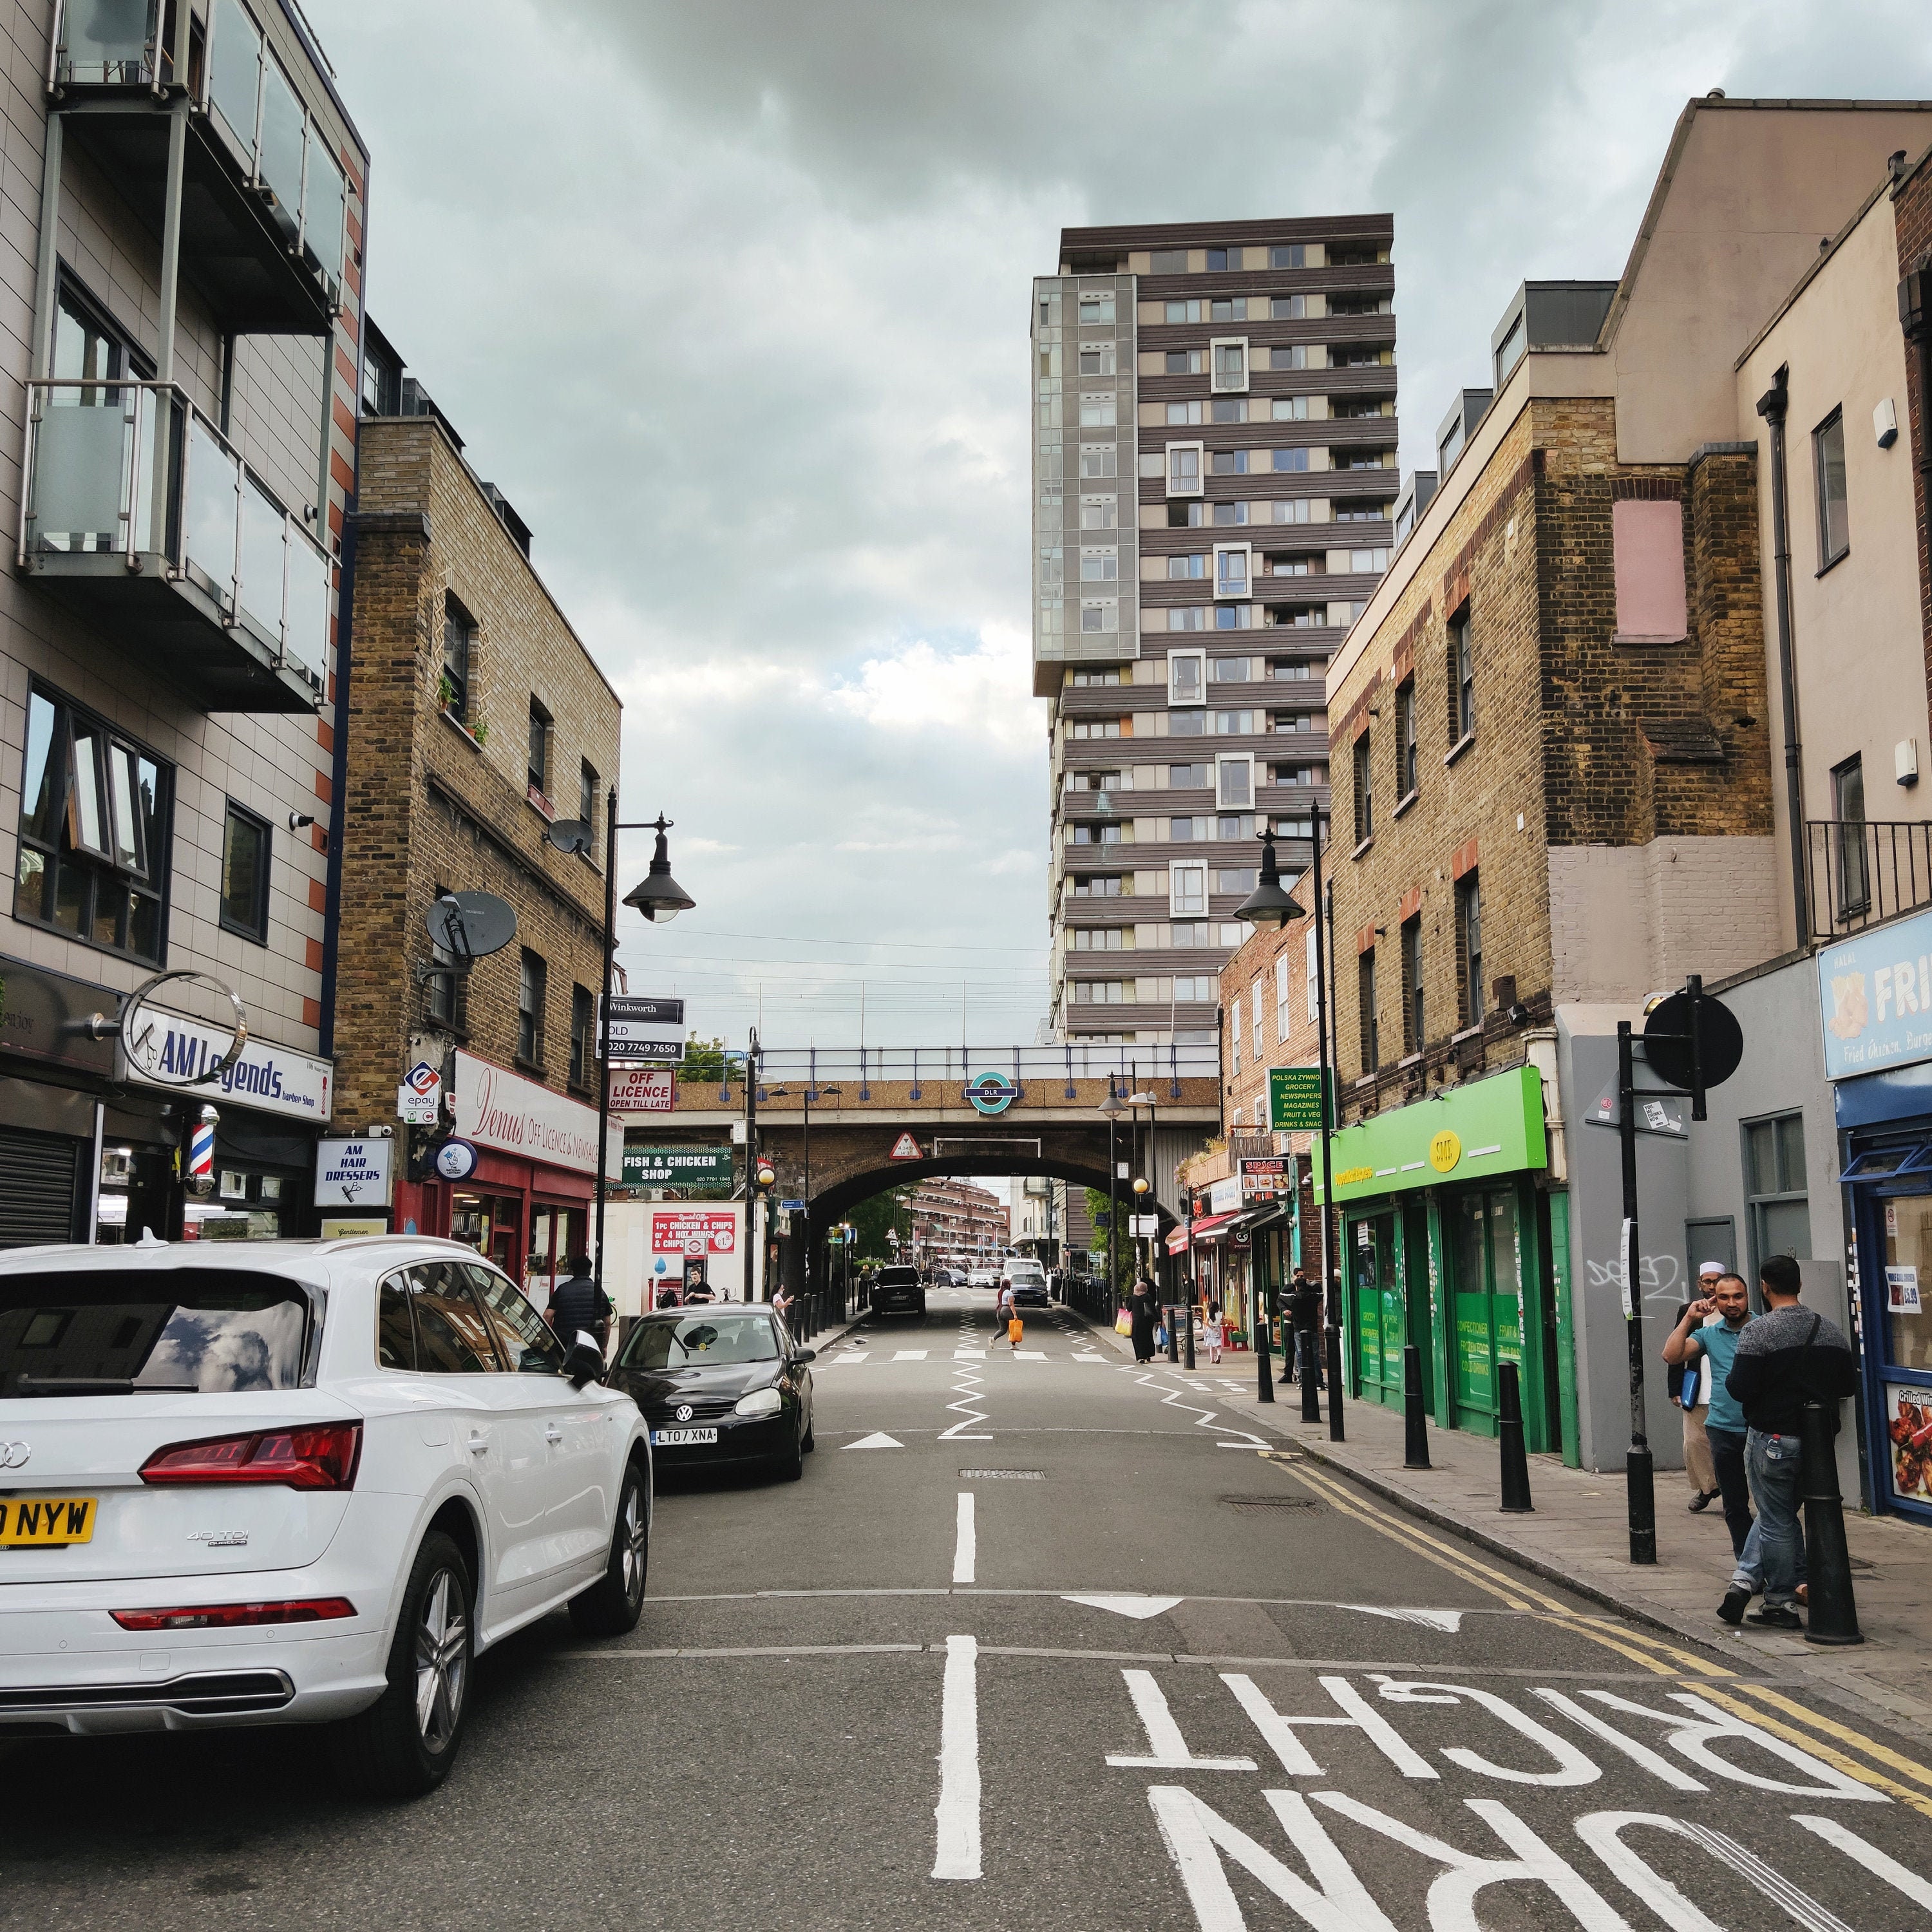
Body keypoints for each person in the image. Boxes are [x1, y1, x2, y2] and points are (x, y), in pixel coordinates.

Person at [1721, 1254, 1859, 1629]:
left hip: (1773, 1440)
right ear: (1800, 1285)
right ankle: (1764, 1582)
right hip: (1818, 1444)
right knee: (1798, 1516)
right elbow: (1848, 1385)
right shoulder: (1829, 1329)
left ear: (1764, 1287)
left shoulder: (1759, 1331)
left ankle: (1780, 1604)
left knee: (1776, 1520)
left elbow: (1739, 1387)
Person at [1663, 1270, 1755, 1564]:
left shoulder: (1763, 1328)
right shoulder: (1709, 1334)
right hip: (1723, 1428)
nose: (1731, 1303)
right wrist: (1689, 1318)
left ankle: (1772, 1565)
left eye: (1737, 1296)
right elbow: (1672, 1355)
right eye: (1724, 1297)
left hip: (1762, 1428)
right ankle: (1747, 1566)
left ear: (1748, 1297)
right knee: (1735, 1506)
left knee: (1772, 1508)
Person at [1668, 1261, 1726, 1512]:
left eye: (1716, 1281)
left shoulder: (1735, 1310)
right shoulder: (1689, 1311)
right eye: (1707, 1281)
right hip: (1697, 1388)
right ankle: (1708, 1488)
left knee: (1728, 1445)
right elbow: (1676, 1348)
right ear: (1699, 1283)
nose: (1711, 1286)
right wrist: (1675, 1388)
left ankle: (1732, 1491)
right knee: (1694, 1443)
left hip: (1727, 1392)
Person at [547, 1253, 613, 1355]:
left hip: (564, 1344)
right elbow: (607, 1322)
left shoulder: (562, 1290)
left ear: (573, 1271)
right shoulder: (599, 1292)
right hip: (591, 1344)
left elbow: (547, 1316)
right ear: (589, 1271)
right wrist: (604, 1346)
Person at [1290, 1273, 1326, 1389]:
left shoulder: (1293, 1299)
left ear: (1296, 1287)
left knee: (1301, 1355)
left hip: (1298, 1330)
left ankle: (1303, 1380)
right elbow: (1320, 1293)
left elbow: (1282, 1296)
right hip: (1312, 1329)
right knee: (1315, 1355)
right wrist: (1309, 1285)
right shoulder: (1313, 1298)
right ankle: (1318, 1380)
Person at [1130, 1277, 1159, 1363]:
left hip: (1137, 1321)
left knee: (1137, 1338)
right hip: (1147, 1321)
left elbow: (1128, 1308)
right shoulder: (1148, 1296)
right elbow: (1152, 1309)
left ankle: (1141, 1357)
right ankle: (1148, 1355)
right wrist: (1157, 1319)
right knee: (1148, 1338)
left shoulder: (1133, 1298)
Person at [1204, 1300, 1225, 1366]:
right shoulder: (1220, 1314)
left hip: (1211, 1330)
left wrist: (1212, 1328)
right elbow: (1223, 1322)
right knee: (1218, 1345)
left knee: (1212, 1346)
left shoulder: (1208, 1314)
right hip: (1218, 1329)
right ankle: (1219, 1355)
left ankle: (1212, 1360)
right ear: (1218, 1308)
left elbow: (1206, 1323)